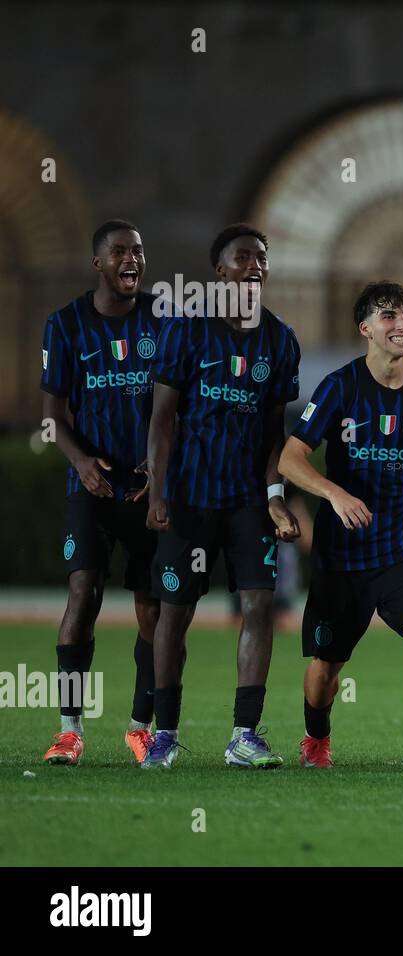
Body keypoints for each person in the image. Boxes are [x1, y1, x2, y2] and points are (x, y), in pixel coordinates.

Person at [279, 281, 403, 772]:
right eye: (389, 316)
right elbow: (290, 459)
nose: (402, 325)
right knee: (328, 665)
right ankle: (315, 739)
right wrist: (334, 492)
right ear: (365, 328)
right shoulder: (338, 387)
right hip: (344, 551)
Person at [141, 223, 301, 769]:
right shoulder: (187, 331)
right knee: (176, 611)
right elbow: (161, 421)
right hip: (189, 496)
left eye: (262, 258)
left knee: (259, 605)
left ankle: (244, 735)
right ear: (219, 271)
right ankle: (164, 735)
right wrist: (157, 493)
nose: (255, 266)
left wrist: (275, 494)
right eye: (243, 257)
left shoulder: (280, 340)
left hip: (248, 502)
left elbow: (276, 432)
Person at [39, 219, 163, 766]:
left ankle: (140, 727)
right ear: (98, 264)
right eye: (119, 252)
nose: (131, 259)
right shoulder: (65, 325)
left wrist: (162, 468)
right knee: (83, 593)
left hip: (148, 488)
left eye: (137, 251)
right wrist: (83, 461)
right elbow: (53, 418)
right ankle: (69, 729)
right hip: (92, 484)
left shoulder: (164, 318)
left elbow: (176, 403)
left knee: (153, 609)